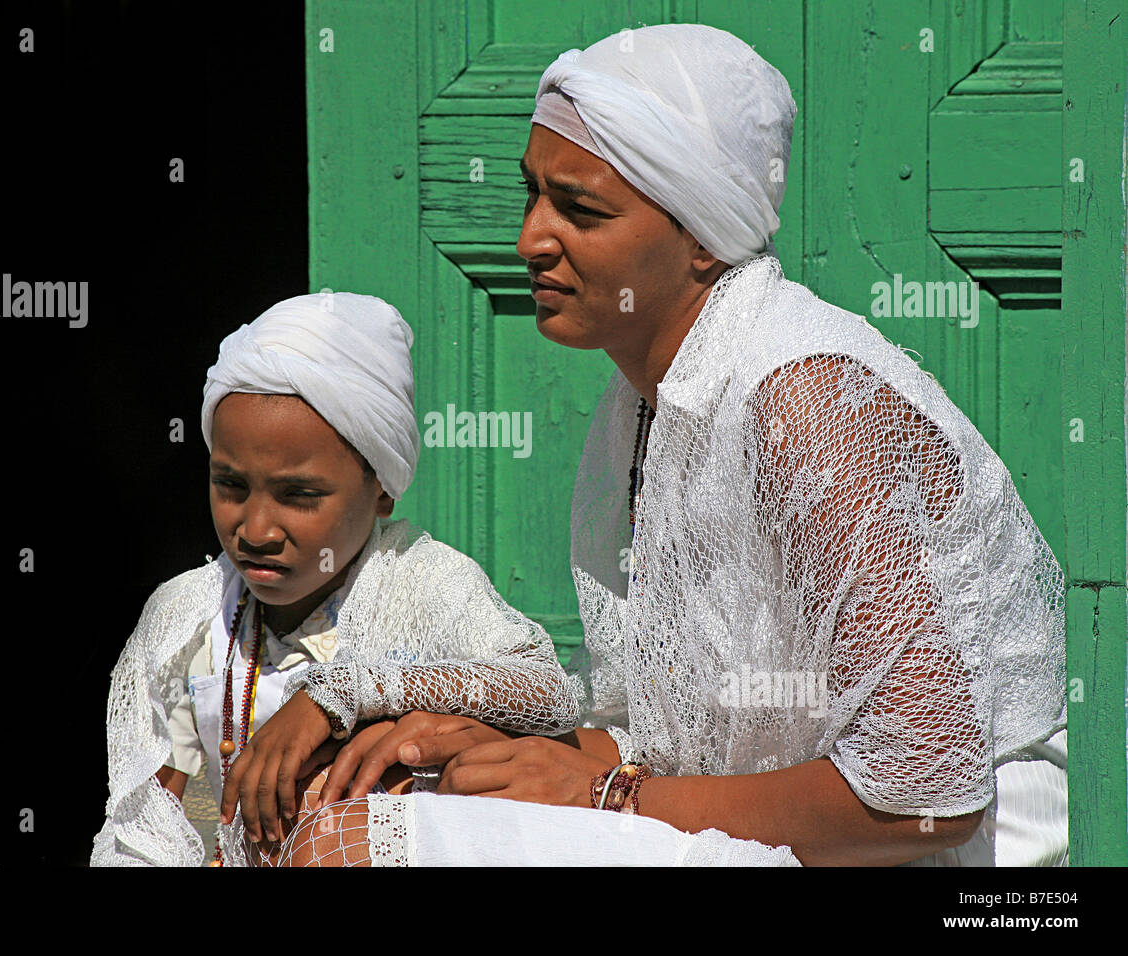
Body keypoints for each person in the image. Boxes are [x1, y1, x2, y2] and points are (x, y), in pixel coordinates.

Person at [261, 23, 1067, 867]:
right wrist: (486, 748)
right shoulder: (644, 407)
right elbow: (677, 743)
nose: (529, 239)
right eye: (532, 194)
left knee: (352, 846)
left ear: (703, 235)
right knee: (366, 794)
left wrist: (604, 794)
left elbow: (926, 802)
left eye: (580, 209)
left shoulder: (808, 400)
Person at [90, 292, 585, 867]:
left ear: (382, 487)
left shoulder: (423, 581)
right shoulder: (186, 616)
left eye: (298, 495)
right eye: (229, 486)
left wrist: (339, 695)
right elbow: (150, 810)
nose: (255, 528)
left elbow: (549, 694)